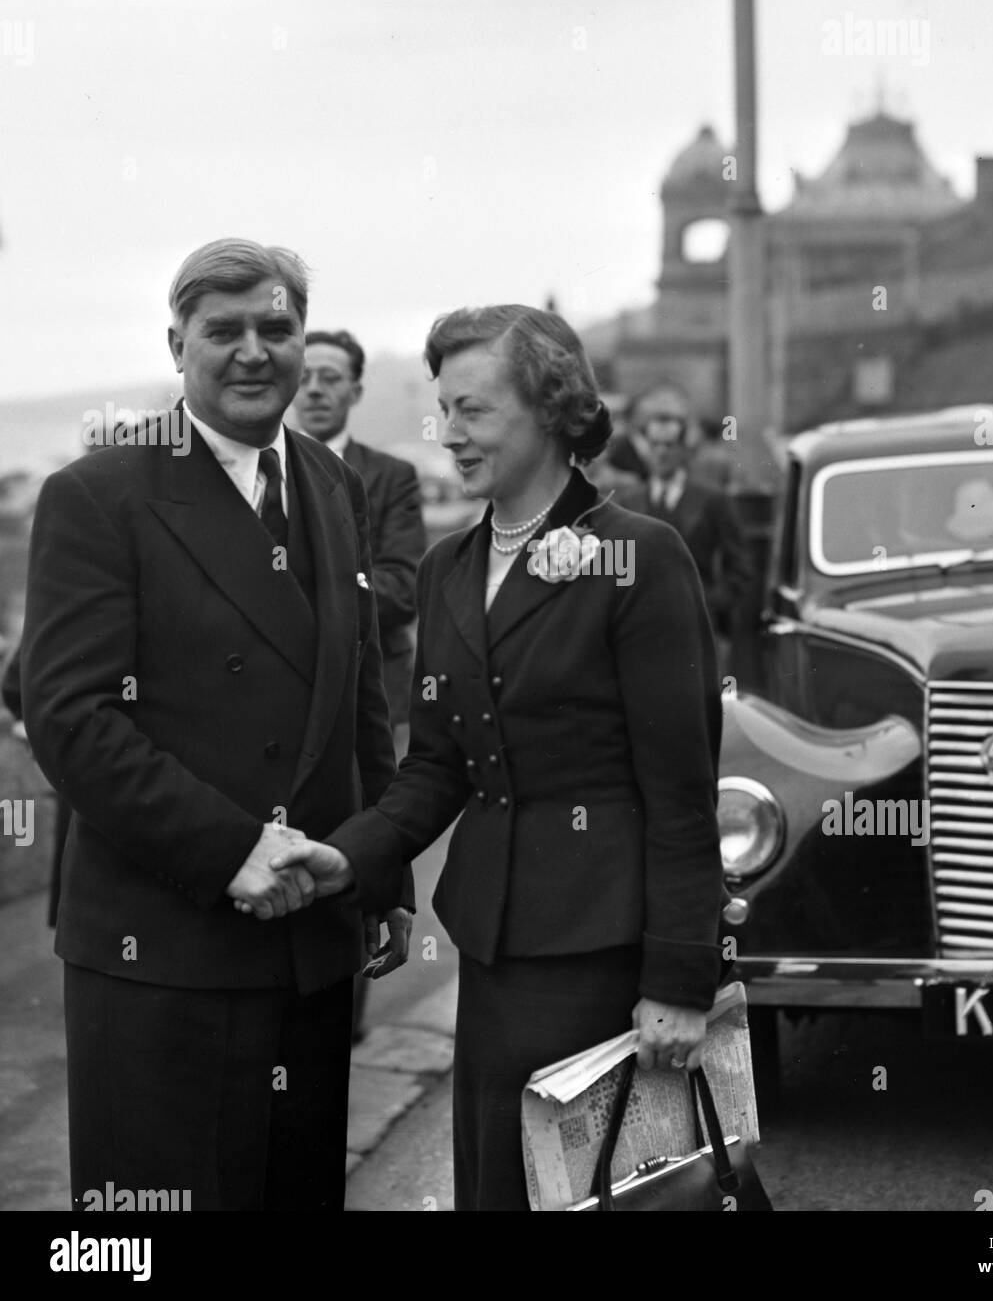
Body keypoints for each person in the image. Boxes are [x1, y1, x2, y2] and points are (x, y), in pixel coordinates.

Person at [251, 304, 726, 1211]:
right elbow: (436, 764)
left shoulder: (642, 557)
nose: (450, 435)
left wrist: (677, 979)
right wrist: (351, 854)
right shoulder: (447, 568)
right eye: (442, 411)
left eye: (474, 411)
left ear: (550, 410)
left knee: (613, 1197)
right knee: (501, 1189)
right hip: (497, 949)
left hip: (607, 949)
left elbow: (681, 788)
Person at [21, 238, 410, 1212]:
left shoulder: (330, 482)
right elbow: (67, 714)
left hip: (311, 937)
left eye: (275, 328)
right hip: (166, 950)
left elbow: (356, 693)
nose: (252, 351)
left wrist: (379, 870)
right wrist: (230, 848)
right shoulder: (99, 495)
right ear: (176, 344)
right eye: (222, 330)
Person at [294, 329, 427, 1044]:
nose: (314, 388)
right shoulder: (263, 477)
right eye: (306, 374)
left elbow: (402, 588)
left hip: (363, 693)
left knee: (355, 828)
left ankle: (342, 1017)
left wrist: (319, 596)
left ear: (354, 391)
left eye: (330, 377)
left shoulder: (389, 477)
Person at [619, 415, 753, 673]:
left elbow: (741, 566)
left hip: (699, 630)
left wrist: (711, 602)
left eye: (669, 445)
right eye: (655, 444)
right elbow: (617, 571)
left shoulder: (712, 499)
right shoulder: (628, 502)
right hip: (640, 633)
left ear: (683, 450)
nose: (661, 453)